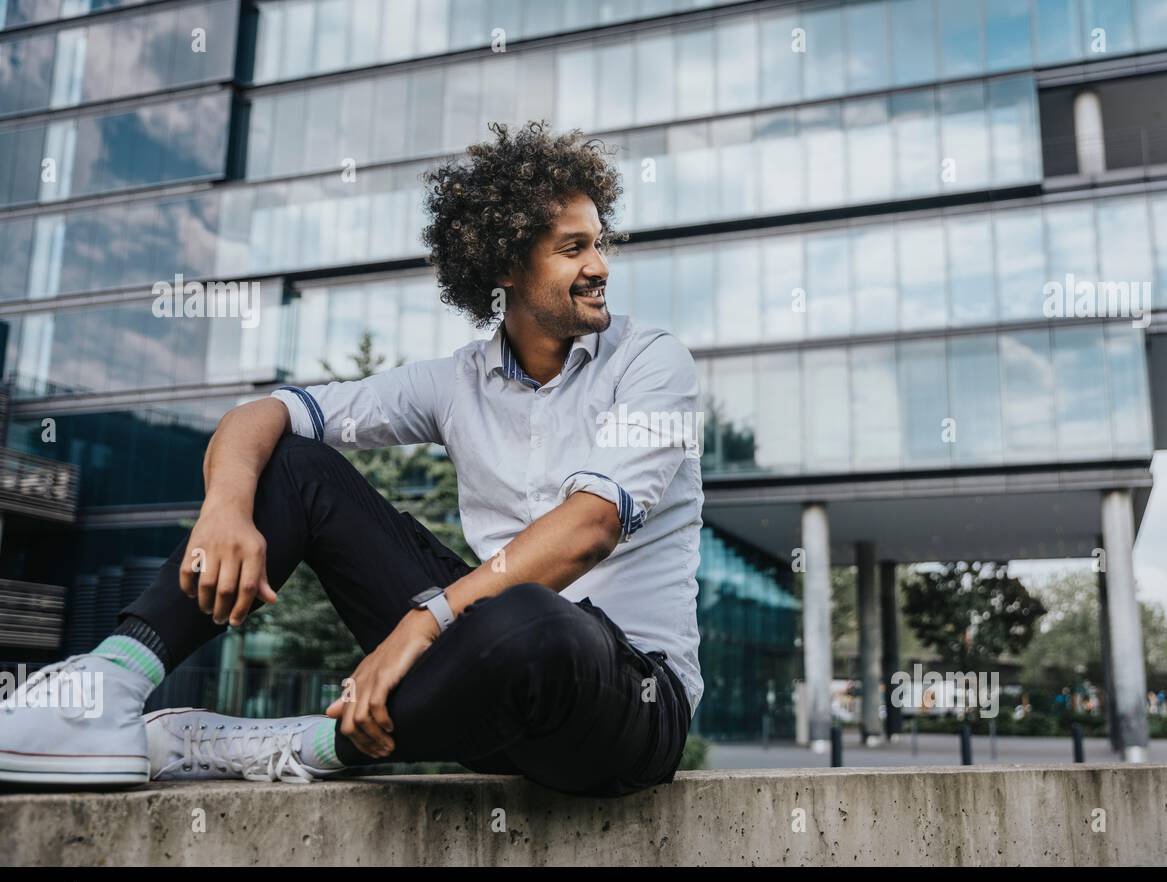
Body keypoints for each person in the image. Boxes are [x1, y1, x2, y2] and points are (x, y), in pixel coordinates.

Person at [0, 120, 704, 798]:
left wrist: (425, 621)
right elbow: (265, 413)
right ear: (505, 266)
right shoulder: (453, 383)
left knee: (530, 617)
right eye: (573, 248)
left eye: (599, 243)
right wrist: (225, 508)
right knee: (293, 467)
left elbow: (590, 527)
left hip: (629, 701)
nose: (599, 266)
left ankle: (298, 746)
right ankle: (107, 687)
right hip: (484, 682)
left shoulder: (653, 363)